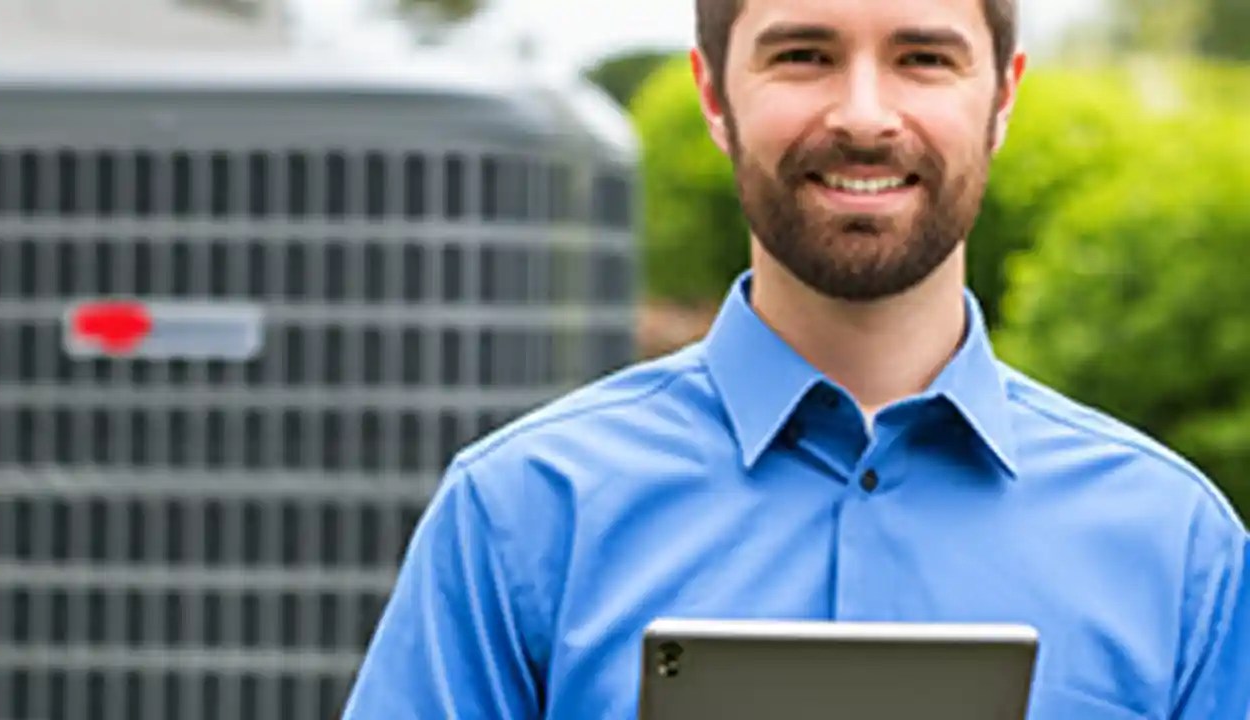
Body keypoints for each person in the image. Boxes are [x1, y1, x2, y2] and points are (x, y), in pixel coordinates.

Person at [343, 0, 1250, 717]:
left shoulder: (1179, 551)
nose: (863, 115)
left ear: (1002, 98)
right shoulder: (523, 515)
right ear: (714, 96)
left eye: (923, 57)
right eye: (803, 55)